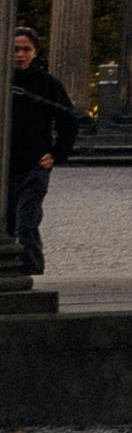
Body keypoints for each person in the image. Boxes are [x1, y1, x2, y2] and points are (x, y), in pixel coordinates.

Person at [4, 25, 76, 276]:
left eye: (26, 49)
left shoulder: (47, 84)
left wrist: (57, 153)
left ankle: (32, 272)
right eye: (15, 50)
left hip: (35, 164)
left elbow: (69, 120)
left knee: (27, 222)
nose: (20, 55)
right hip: (6, 165)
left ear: (35, 52)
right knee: (8, 223)